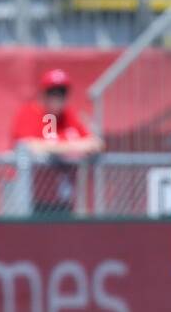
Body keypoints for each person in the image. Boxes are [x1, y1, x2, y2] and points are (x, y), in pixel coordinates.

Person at [9, 68, 104, 216]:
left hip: (63, 200)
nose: (57, 98)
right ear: (43, 93)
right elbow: (27, 145)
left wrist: (62, 147)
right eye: (52, 92)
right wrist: (71, 147)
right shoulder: (29, 113)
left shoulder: (68, 115)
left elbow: (95, 143)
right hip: (30, 200)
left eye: (61, 93)